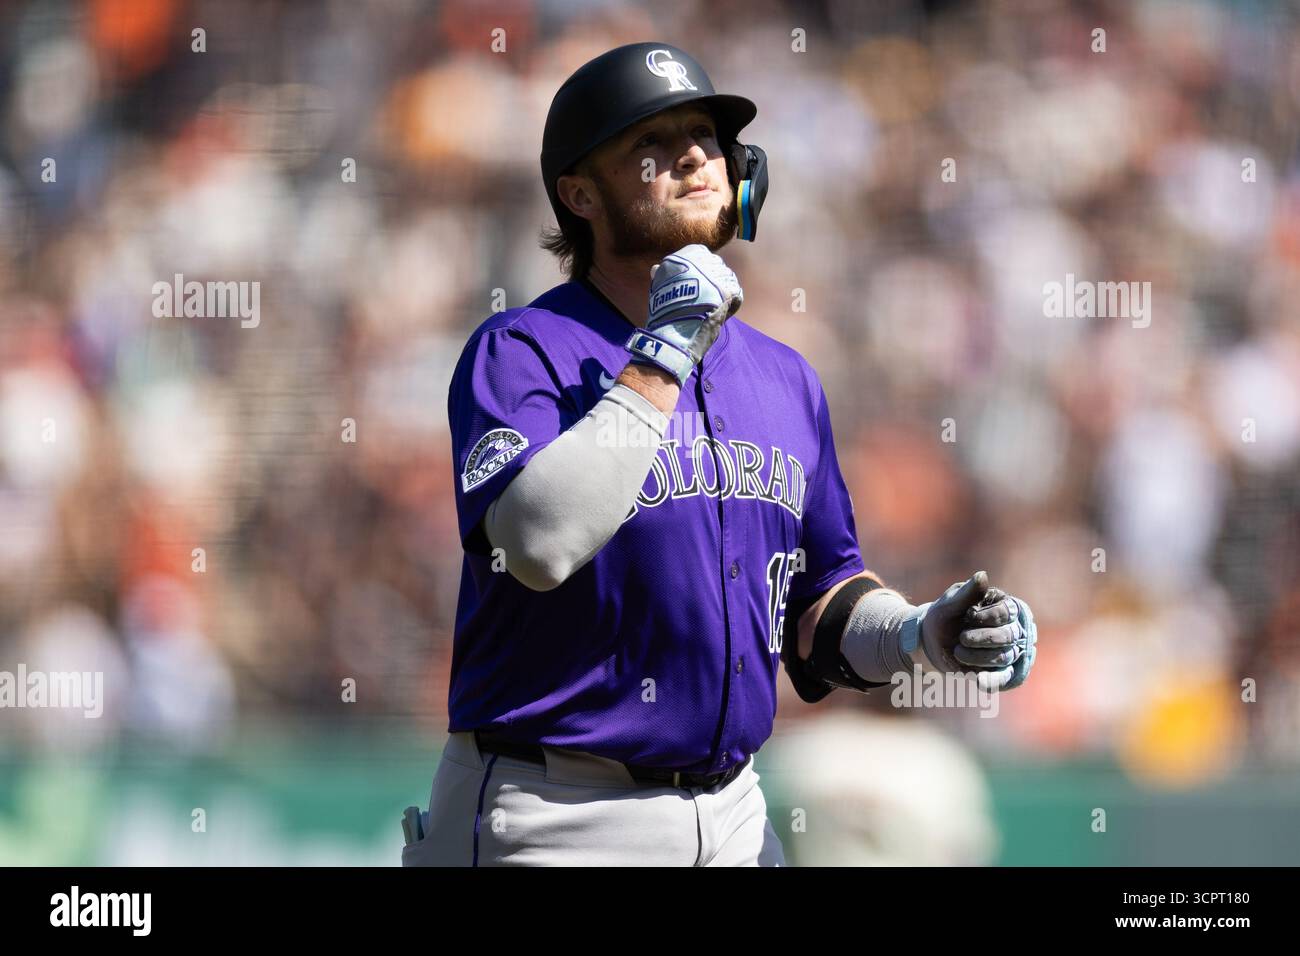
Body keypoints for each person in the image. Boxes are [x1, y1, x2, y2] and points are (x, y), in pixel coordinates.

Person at [402, 41, 1037, 867]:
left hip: (736, 813)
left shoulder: (786, 377)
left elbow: (822, 605)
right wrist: (665, 350)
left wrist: (922, 637)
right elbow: (537, 544)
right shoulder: (522, 350)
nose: (695, 155)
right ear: (580, 194)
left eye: (705, 135)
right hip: (557, 815)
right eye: (651, 145)